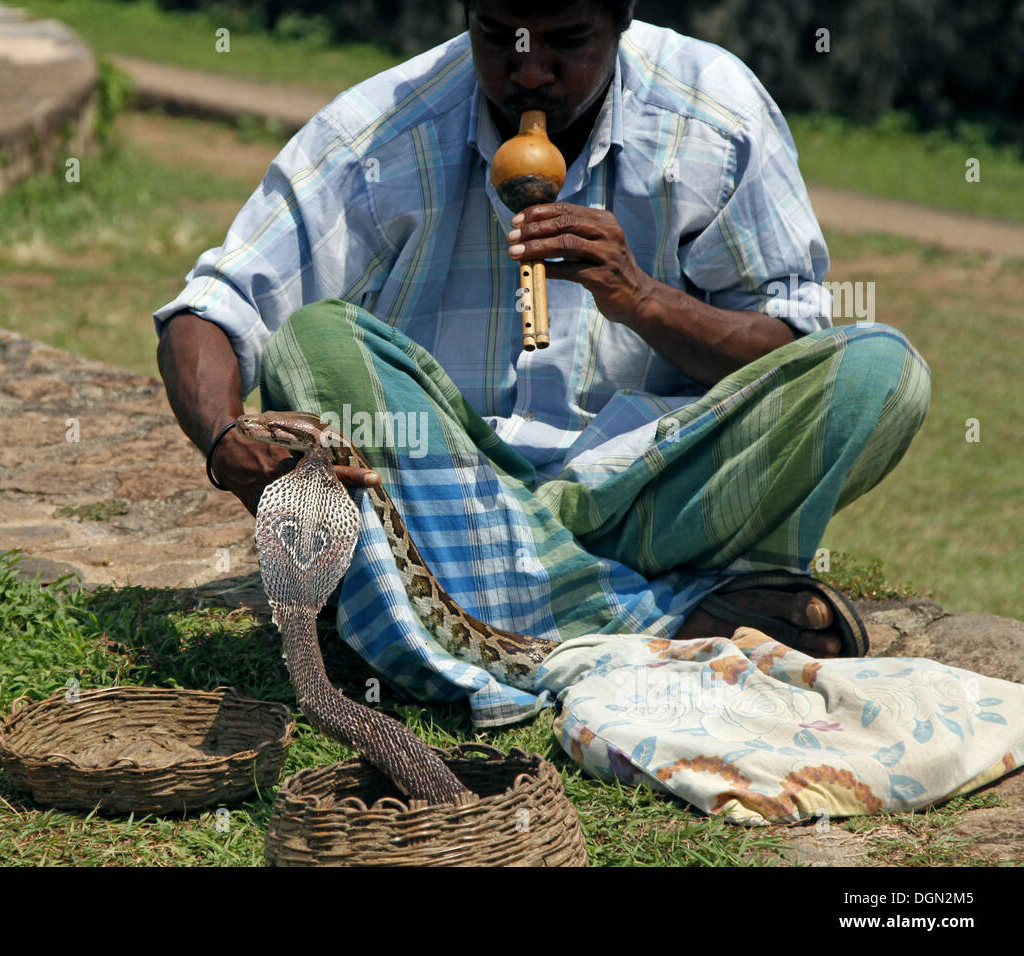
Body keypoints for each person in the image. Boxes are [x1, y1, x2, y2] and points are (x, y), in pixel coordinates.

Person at [155, 0, 930, 727]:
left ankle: (498, 618)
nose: (528, 72)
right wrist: (225, 440)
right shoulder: (381, 129)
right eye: (498, 36)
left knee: (881, 373)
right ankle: (665, 621)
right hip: (453, 496)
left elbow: (792, 348)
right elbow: (212, 309)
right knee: (311, 342)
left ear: (622, 17)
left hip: (649, 497)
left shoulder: (714, 113)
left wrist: (645, 300)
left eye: (567, 41)